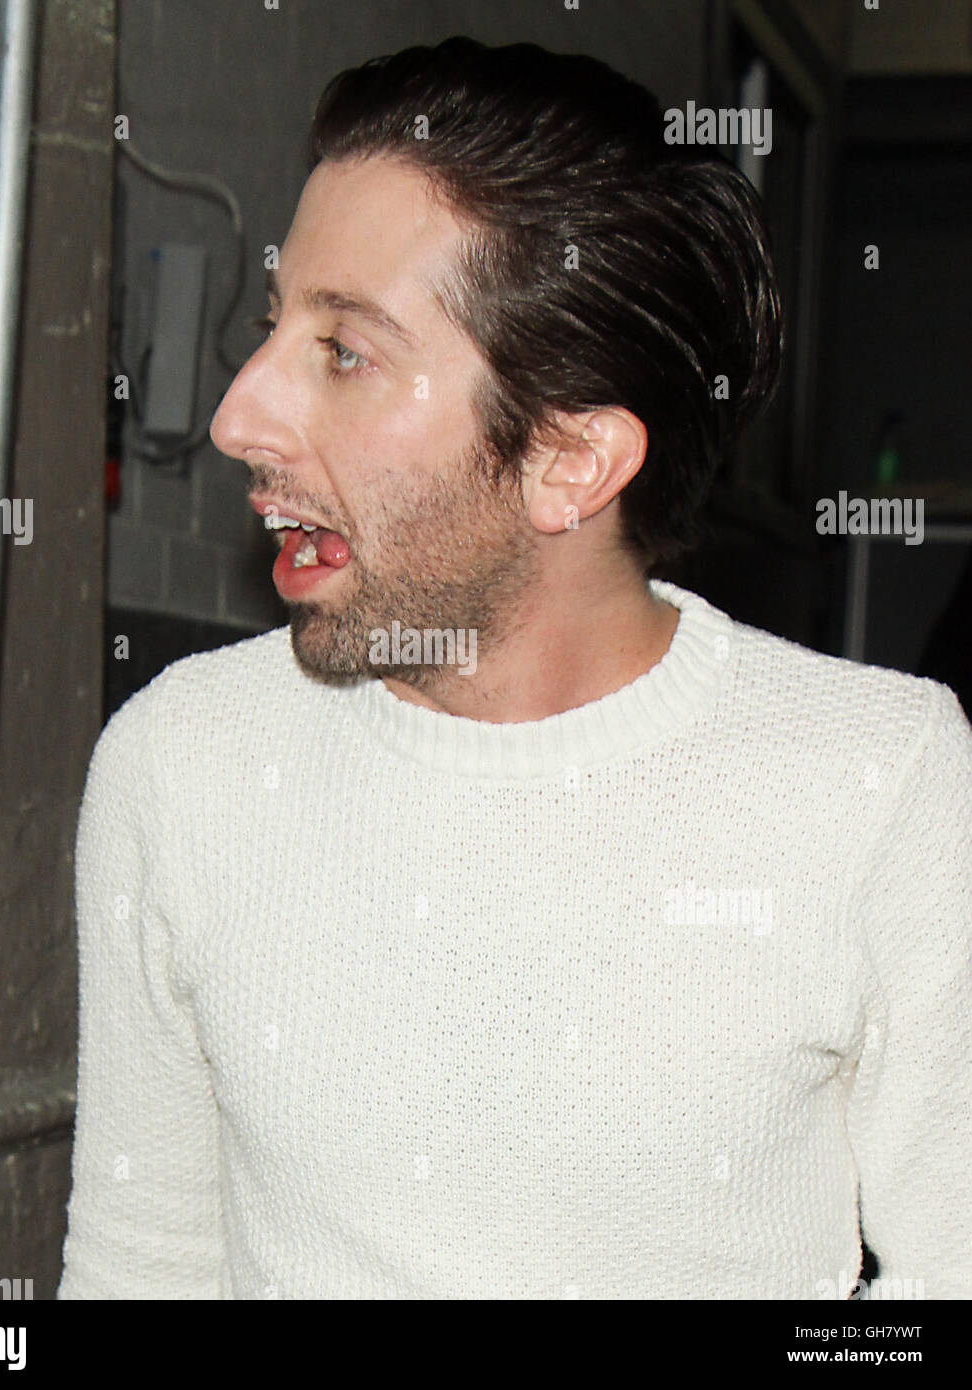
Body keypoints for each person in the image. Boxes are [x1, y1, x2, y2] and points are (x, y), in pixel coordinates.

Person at [57, 37, 972, 1300]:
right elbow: (140, 1271)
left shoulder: (881, 779)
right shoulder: (180, 763)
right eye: (274, 326)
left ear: (569, 463)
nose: (238, 416)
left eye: (343, 352)